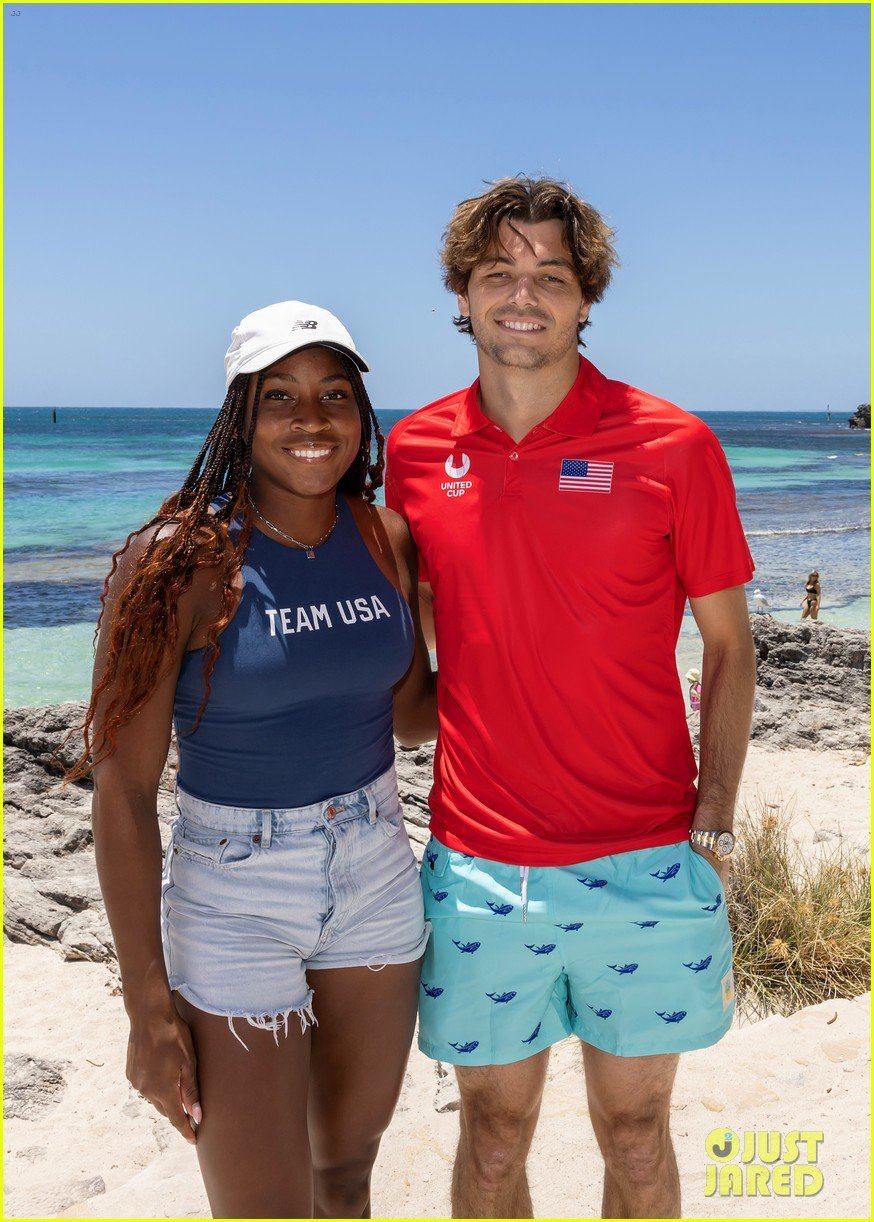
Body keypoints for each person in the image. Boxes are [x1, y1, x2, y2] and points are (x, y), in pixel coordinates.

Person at [386, 177, 757, 1220]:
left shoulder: (672, 444)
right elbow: (403, 656)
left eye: (549, 274)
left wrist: (714, 812)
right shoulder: (414, 453)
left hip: (642, 853)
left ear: (585, 298)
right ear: (460, 293)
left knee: (635, 1136)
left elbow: (729, 645)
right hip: (477, 863)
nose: (522, 293)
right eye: (497, 271)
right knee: (494, 1138)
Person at [74, 301, 436, 1219]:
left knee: (346, 1176)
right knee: (262, 1208)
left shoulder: (383, 539)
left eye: (334, 394)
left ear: (362, 413)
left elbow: (413, 720)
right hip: (234, 894)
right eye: (281, 395)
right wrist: (145, 1004)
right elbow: (121, 790)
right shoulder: (176, 564)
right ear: (240, 414)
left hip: (377, 872)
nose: (312, 420)